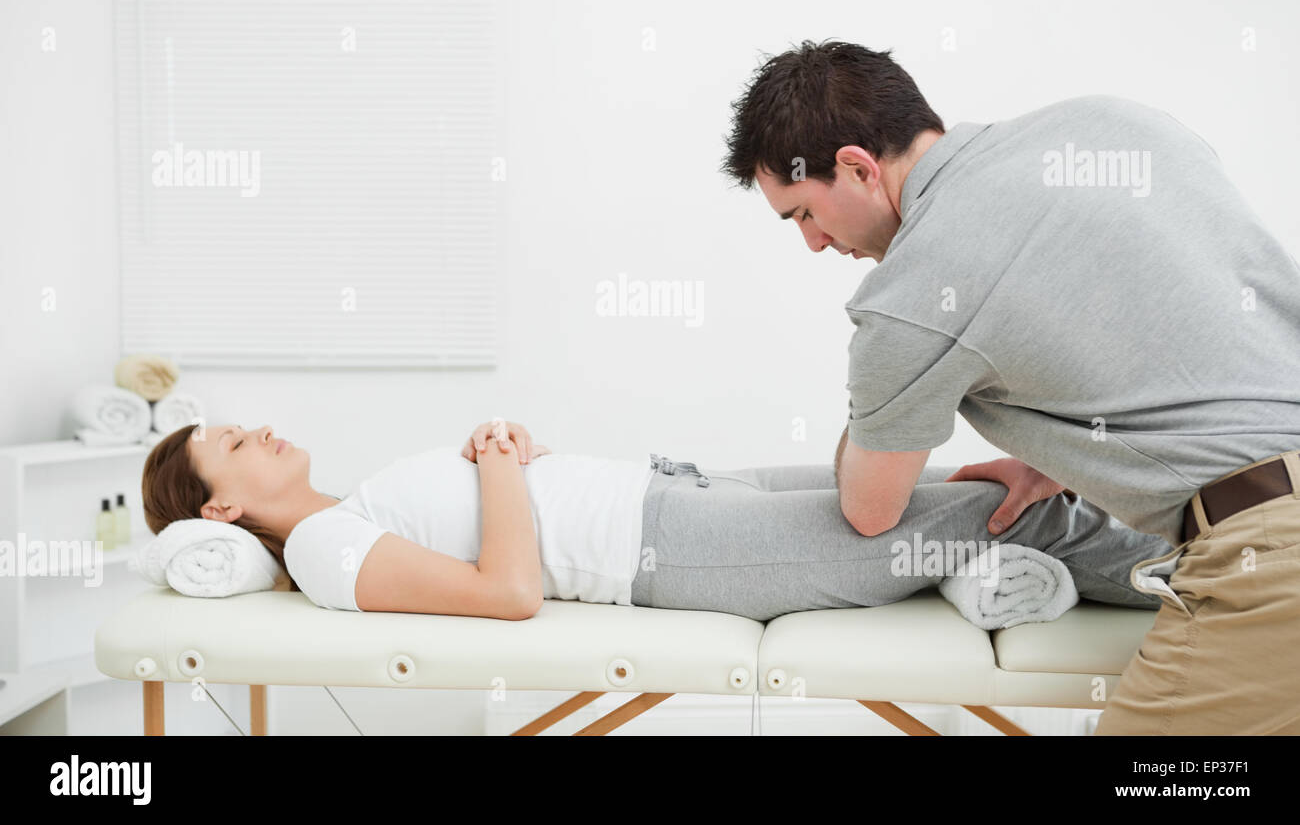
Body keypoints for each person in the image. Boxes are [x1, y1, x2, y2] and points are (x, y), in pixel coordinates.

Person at [720, 39, 1300, 734]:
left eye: (805, 214)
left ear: (857, 168)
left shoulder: (915, 288)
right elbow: (1175, 302)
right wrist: (1067, 452)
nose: (813, 243)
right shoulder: (1114, 125)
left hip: (1270, 555)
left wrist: (885, 381)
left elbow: (870, 509)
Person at [140, 419, 1168, 624]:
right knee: (1007, 509)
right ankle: (1237, 568)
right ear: (221, 506)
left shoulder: (351, 504)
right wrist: (499, 467)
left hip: (679, 492)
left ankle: (1216, 539)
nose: (260, 429)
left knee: (958, 475)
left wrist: (509, 458)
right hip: (677, 551)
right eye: (233, 443)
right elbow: (508, 592)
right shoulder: (322, 548)